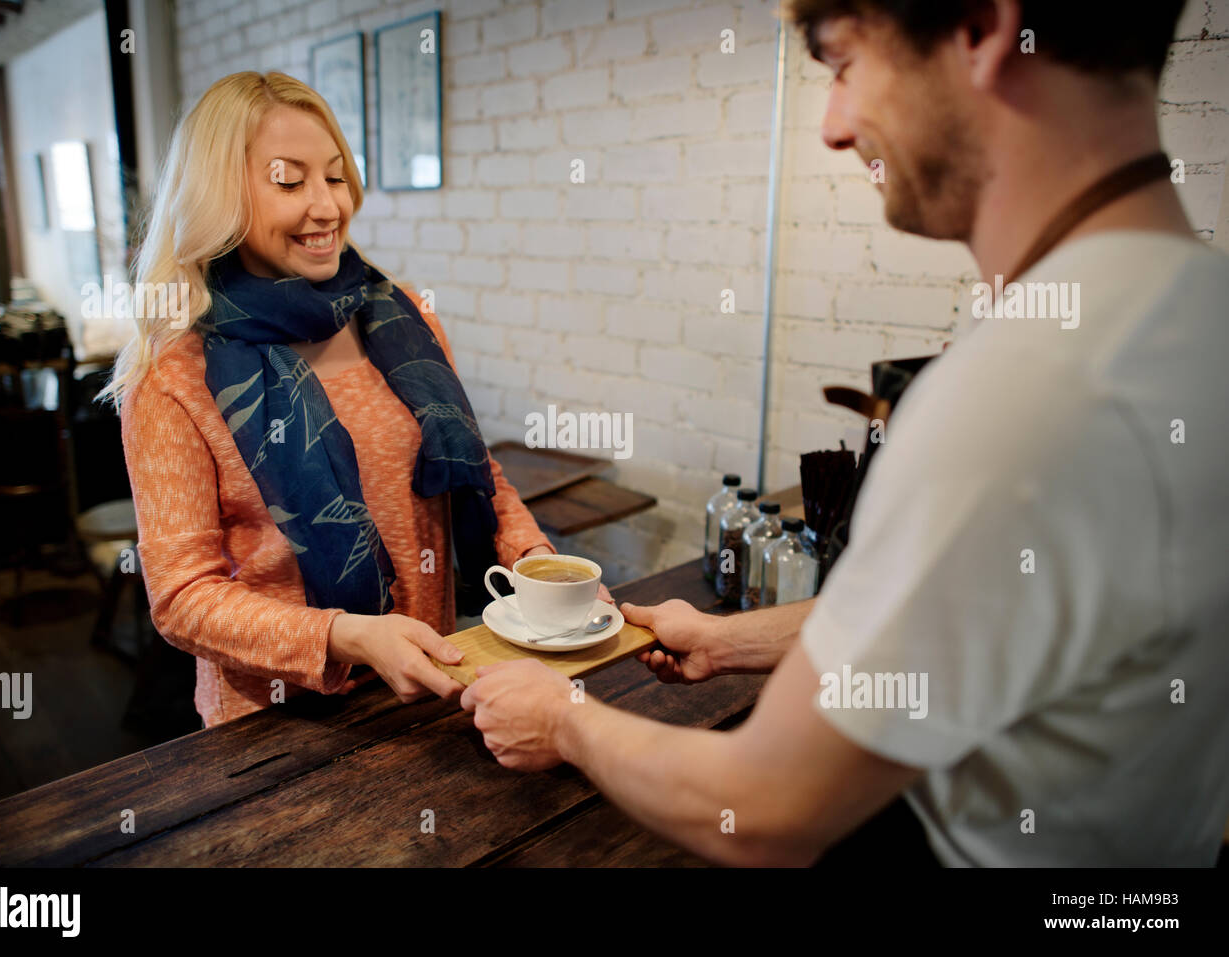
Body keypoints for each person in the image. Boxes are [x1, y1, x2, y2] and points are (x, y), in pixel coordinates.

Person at [461, 0, 1229, 866]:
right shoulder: (1195, 308)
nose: (832, 127)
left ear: (979, 29)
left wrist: (566, 721)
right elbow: (994, 612)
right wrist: (728, 640)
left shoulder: (1021, 389)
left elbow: (765, 805)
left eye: (842, 65)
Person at [107, 72, 604, 728]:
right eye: (289, 181)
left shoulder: (401, 318)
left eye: (336, 176)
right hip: (276, 723)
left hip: (431, 681)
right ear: (218, 196)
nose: (326, 206)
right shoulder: (176, 373)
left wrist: (533, 560)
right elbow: (183, 598)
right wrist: (348, 635)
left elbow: (477, 474)